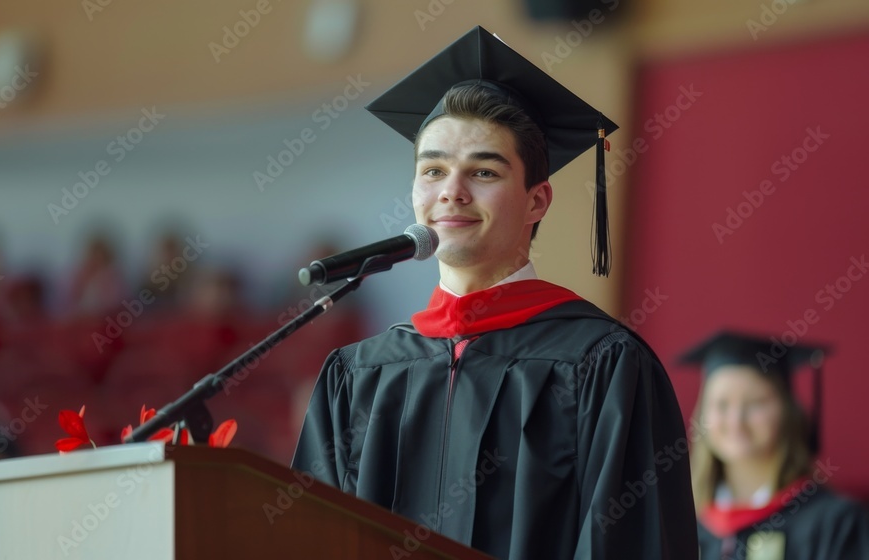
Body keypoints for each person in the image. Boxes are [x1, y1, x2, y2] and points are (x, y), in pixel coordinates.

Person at [292, 26, 698, 559]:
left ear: (537, 202)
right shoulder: (360, 374)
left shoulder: (602, 364)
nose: (451, 192)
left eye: (483, 171)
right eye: (433, 169)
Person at [680, 330, 869, 559]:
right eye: (721, 404)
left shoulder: (837, 524)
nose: (736, 420)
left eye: (755, 403)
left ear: (788, 413)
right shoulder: (682, 522)